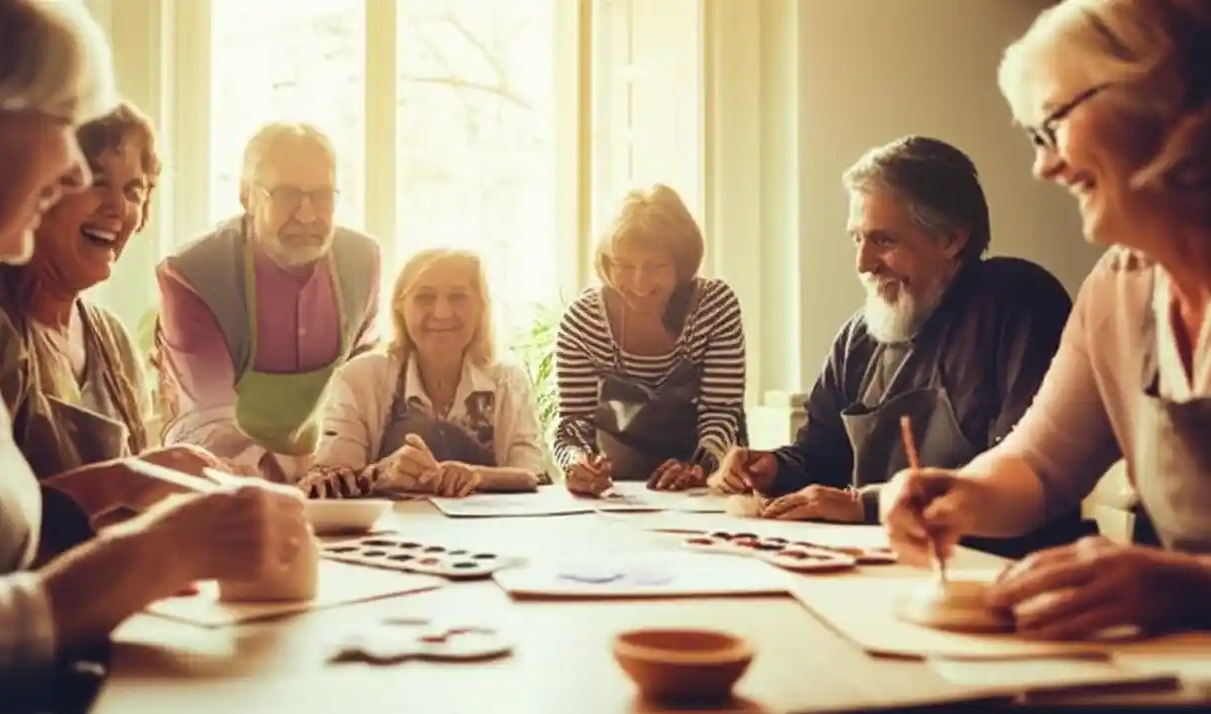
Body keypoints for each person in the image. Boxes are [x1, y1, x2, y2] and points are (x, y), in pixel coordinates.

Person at [0, 1, 305, 714]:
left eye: (132, 186)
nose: (73, 172)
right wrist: (151, 556)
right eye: (64, 124)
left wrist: (128, 481)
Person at [883, 0, 1211, 639]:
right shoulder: (1117, 292)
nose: (1044, 166)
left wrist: (1193, 586)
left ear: (1161, 93)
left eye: (1052, 126)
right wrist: (958, 494)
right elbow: (1037, 466)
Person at [711, 136, 1087, 559]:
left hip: (1000, 571)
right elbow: (821, 455)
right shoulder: (857, 338)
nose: (862, 263)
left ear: (951, 240)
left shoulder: (1019, 303)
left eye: (883, 241)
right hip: (888, 567)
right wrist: (774, 468)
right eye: (857, 238)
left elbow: (1022, 473)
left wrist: (863, 505)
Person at [0, 102, 228, 555]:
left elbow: (135, 517)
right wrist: (125, 480)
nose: (118, 207)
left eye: (135, 189)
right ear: (43, 190)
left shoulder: (111, 339)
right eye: (97, 181)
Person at [155, 123, 382, 484]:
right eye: (287, 195)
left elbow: (364, 390)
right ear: (246, 196)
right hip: (227, 484)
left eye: (322, 196)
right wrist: (306, 481)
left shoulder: (363, 260)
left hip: (332, 482)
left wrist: (343, 472)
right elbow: (206, 424)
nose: (307, 215)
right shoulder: (193, 274)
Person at [303, 249, 547, 497]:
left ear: (481, 307)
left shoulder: (508, 380)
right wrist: (383, 474)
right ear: (400, 307)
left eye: (458, 297)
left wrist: (477, 475)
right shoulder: (359, 379)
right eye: (424, 298)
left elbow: (531, 475)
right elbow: (333, 478)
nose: (442, 313)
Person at [555, 184, 747, 497]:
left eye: (655, 266)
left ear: (681, 263)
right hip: (617, 494)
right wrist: (577, 464)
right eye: (624, 266)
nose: (639, 283)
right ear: (607, 262)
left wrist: (700, 466)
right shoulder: (583, 319)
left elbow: (722, 411)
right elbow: (573, 424)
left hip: (703, 488)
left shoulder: (714, 306)